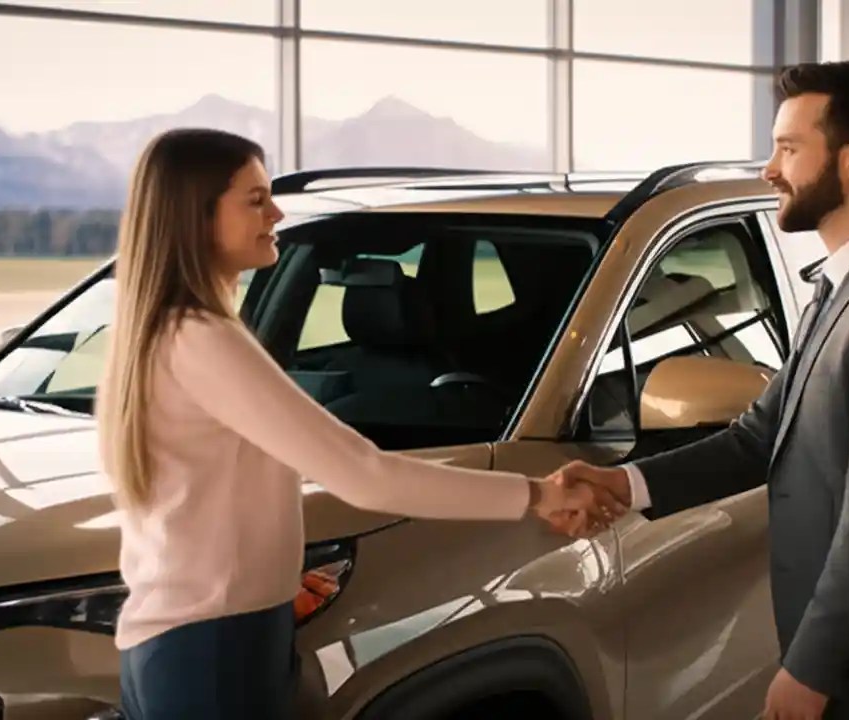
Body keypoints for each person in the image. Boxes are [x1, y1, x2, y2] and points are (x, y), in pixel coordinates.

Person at [96, 128, 599, 720]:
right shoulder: (203, 341)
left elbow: (200, 500)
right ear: (194, 217)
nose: (277, 212)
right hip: (214, 655)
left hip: (188, 643)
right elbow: (366, 476)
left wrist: (275, 571)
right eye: (255, 200)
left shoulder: (159, 335)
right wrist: (537, 493)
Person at [551, 60, 849, 719]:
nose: (770, 168)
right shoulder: (846, 287)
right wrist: (625, 485)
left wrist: (811, 672)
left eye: (788, 147)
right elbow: (759, 437)